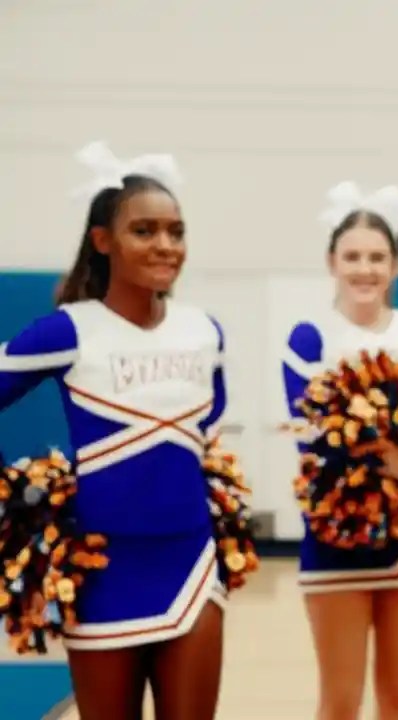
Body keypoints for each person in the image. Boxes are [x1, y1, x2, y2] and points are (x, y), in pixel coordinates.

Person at [0, 141, 230, 719]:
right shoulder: (69, 331)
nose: (165, 245)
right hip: (103, 573)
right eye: (145, 230)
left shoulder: (205, 331)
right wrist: (21, 499)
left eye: (175, 232)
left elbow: (209, 438)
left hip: (191, 563)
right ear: (104, 241)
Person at [281, 181, 398, 720]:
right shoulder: (309, 338)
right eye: (352, 256)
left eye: (377, 257)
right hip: (336, 543)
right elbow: (317, 439)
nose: (365, 269)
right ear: (332, 261)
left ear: (394, 265)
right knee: (340, 701)